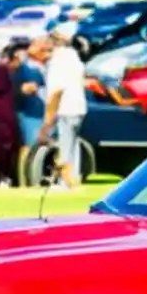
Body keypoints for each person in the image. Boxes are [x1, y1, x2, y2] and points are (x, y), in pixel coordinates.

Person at [41, 26, 89, 188]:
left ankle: (65, 183)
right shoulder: (74, 57)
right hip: (78, 106)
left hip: (65, 108)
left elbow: (56, 91)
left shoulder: (57, 61)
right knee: (73, 146)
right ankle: (74, 179)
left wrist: (48, 117)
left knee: (64, 147)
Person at [0, 45, 24, 187]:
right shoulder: (1, 72)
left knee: (11, 146)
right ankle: (2, 176)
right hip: (1, 114)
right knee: (3, 146)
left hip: (8, 114)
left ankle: (8, 175)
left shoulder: (12, 74)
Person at [15, 33, 51, 148]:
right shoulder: (25, 66)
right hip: (32, 114)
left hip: (48, 112)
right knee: (32, 147)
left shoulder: (51, 65)